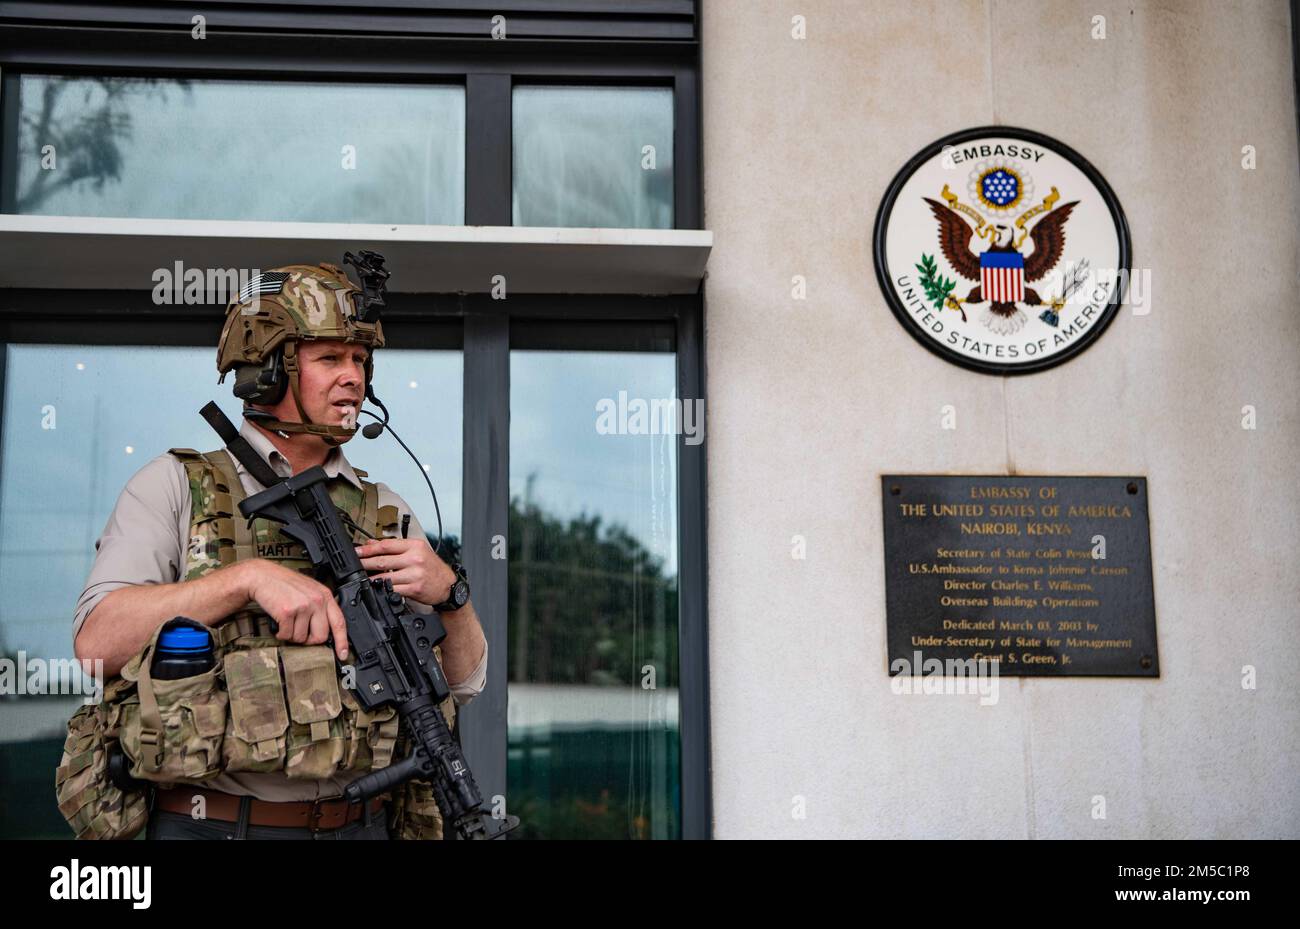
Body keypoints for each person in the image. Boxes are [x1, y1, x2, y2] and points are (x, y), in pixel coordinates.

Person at [71, 260, 487, 839]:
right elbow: (96, 643)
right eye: (329, 358)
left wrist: (453, 596)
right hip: (215, 827)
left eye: (360, 360)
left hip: (361, 826)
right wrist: (245, 581)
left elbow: (463, 686)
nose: (354, 378)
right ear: (267, 370)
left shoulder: (385, 509)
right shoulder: (176, 486)